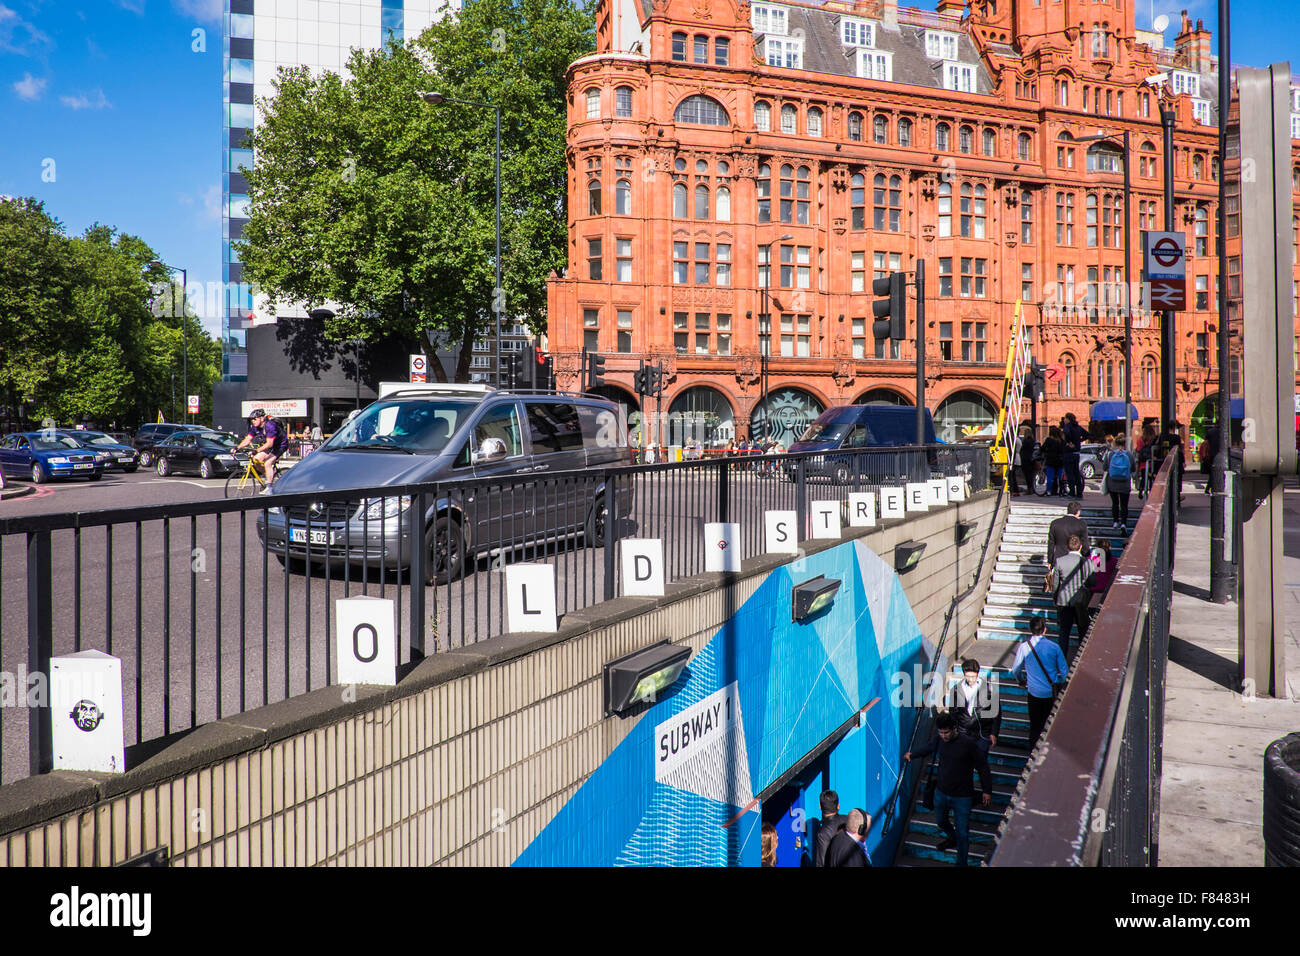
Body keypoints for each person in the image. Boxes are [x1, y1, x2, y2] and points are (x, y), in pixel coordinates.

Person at [904, 713, 992, 867]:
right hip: (941, 792)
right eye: (941, 732)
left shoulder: (968, 744)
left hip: (963, 797)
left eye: (946, 732)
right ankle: (953, 838)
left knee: (963, 833)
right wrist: (913, 754)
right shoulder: (938, 739)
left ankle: (961, 863)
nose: (943, 736)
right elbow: (929, 748)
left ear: (954, 729)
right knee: (941, 821)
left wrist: (987, 790)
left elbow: (983, 766)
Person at [1011, 616, 1069, 744]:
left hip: (1034, 693)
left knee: (1035, 726)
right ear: (1045, 630)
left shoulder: (1024, 647)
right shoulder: (1054, 647)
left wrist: (1020, 680)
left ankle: (1032, 752)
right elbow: (1065, 671)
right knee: (1049, 725)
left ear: (1031, 629)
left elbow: (1015, 669)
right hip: (1051, 693)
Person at [1048, 533, 1095, 660]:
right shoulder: (1087, 562)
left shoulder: (1060, 561)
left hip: (1064, 601)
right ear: (1080, 547)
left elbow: (1055, 584)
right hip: (1080, 602)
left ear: (1068, 548)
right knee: (1082, 630)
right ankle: (1080, 658)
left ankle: (1062, 658)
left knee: (1064, 632)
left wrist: (1055, 597)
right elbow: (1092, 582)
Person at [946, 658, 1000, 754]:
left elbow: (996, 713)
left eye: (973, 676)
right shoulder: (955, 690)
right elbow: (952, 713)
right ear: (964, 674)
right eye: (968, 676)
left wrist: (994, 733)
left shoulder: (989, 689)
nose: (970, 679)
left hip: (982, 734)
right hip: (963, 733)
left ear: (978, 674)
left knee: (980, 762)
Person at [234, 408, 288, 493]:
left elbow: (270, 444)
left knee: (268, 463)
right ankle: (269, 477)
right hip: (270, 445)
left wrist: (257, 450)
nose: (253, 421)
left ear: (262, 418)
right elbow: (248, 439)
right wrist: (237, 448)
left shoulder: (270, 425)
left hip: (280, 445)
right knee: (255, 460)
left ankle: (269, 488)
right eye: (251, 420)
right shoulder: (255, 427)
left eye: (255, 419)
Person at [1103, 434, 1136, 532]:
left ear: (1115, 443)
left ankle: (1115, 521)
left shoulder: (1110, 454)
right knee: (1124, 504)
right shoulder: (1129, 454)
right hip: (1125, 483)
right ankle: (1124, 523)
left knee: (1115, 503)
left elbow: (1105, 467)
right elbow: (1133, 468)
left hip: (1112, 483)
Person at [1046, 500, 1090, 567]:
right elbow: (1085, 543)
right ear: (1078, 512)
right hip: (1075, 559)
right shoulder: (1081, 524)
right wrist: (1085, 556)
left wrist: (1050, 560)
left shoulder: (1055, 523)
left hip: (1058, 558)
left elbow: (1051, 544)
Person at [813, 790, 848, 867]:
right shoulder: (848, 820)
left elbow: (821, 863)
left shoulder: (822, 834)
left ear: (820, 806)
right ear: (838, 806)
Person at [1061, 412, 1087, 498]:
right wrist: (1079, 441)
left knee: (1070, 473)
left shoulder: (1068, 426)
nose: (1064, 420)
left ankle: (1072, 492)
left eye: (1065, 418)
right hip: (1077, 453)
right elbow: (1087, 434)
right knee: (1076, 473)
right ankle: (1079, 493)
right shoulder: (1078, 427)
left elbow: (1066, 433)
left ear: (1068, 419)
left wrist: (1069, 442)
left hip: (1069, 453)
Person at [1039, 426, 1066, 496]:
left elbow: (1042, 448)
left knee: (1050, 477)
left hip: (1051, 461)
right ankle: (1061, 490)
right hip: (1060, 461)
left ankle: (1049, 491)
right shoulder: (1062, 441)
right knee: (1060, 477)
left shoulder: (1048, 440)